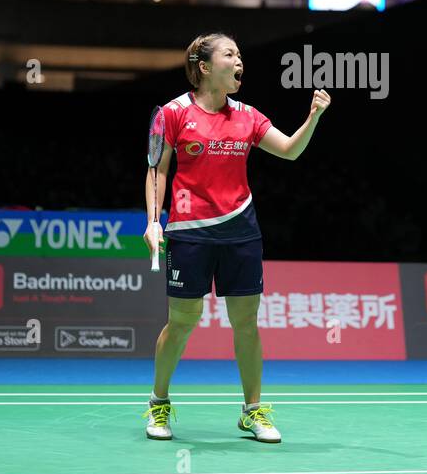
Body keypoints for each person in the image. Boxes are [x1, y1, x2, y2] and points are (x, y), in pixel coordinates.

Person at [141, 32, 331, 443]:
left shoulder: (248, 116)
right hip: (189, 232)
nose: (239, 60)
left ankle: (252, 411)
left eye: (240, 54)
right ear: (205, 67)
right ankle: (159, 402)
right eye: (230, 54)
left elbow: (289, 150)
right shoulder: (174, 113)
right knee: (183, 322)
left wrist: (313, 118)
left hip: (241, 232)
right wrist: (153, 221)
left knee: (246, 323)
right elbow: (158, 170)